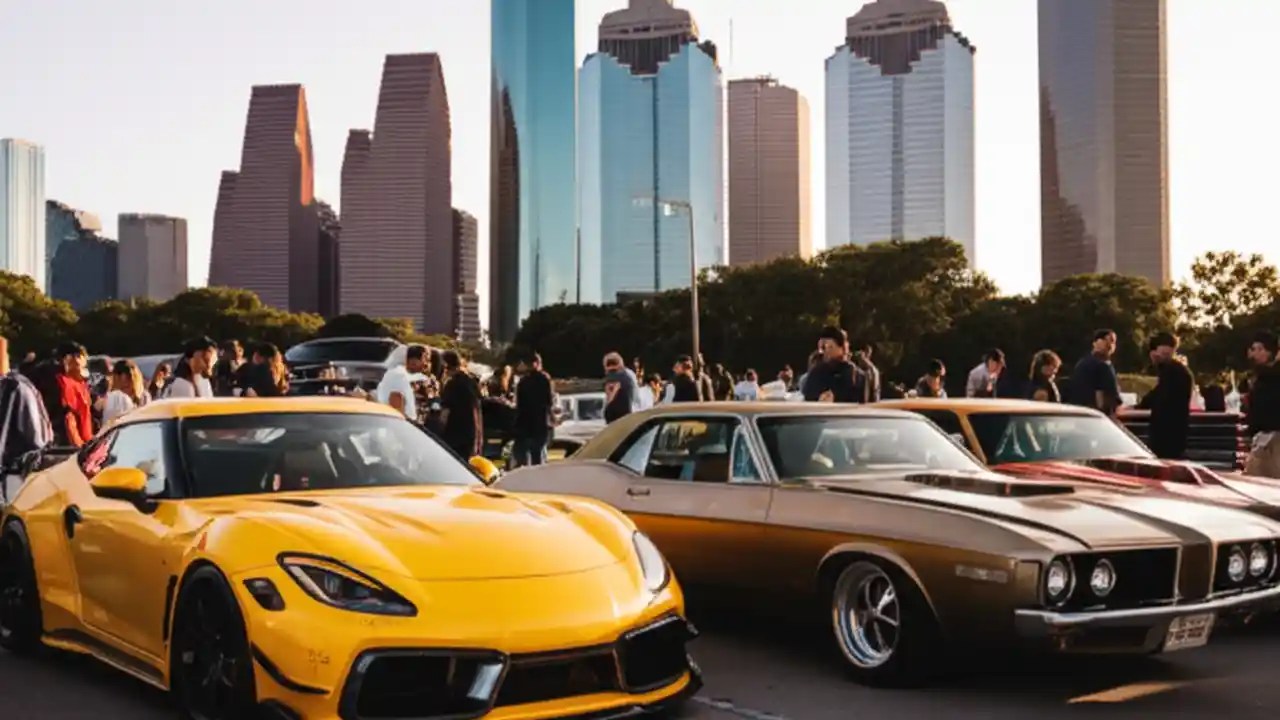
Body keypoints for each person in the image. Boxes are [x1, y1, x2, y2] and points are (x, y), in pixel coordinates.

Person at [1135, 332, 1193, 460]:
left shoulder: (1172, 371)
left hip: (1167, 433)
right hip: (1174, 432)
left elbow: (1160, 397)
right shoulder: (1174, 370)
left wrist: (1138, 406)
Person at [1245, 332, 1280, 478]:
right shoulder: (1262, 377)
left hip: (1272, 435)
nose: (1255, 354)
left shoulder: (1270, 376)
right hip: (1263, 435)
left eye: (1260, 349)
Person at [802, 326, 866, 403]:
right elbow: (809, 398)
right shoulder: (816, 373)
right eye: (822, 347)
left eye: (830, 347)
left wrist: (836, 399)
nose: (824, 352)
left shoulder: (856, 375)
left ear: (842, 348)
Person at [1068, 329, 1123, 417]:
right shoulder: (1102, 365)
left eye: (1113, 342)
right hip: (1096, 416)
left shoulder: (1081, 363)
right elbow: (1102, 394)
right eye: (1107, 340)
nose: (1110, 345)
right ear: (1095, 342)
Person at [512, 353, 554, 468]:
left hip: (524, 424)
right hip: (539, 423)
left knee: (522, 457)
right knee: (537, 455)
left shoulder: (523, 382)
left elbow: (519, 405)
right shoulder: (544, 379)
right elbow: (548, 401)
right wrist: (552, 418)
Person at [439, 350, 483, 458]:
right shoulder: (471, 382)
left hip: (453, 435)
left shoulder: (451, 384)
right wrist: (479, 437)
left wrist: (438, 430)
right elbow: (477, 409)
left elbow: (445, 412)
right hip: (469, 434)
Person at [53, 342, 93, 448]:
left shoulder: (82, 384)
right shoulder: (65, 383)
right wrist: (78, 446)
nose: (78, 360)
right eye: (74, 356)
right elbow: (68, 417)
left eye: (80, 356)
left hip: (86, 442)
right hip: (77, 446)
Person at [376, 344, 428, 420]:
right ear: (413, 361)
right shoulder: (398, 377)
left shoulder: (409, 378)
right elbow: (396, 411)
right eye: (424, 359)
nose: (425, 364)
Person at [100, 359, 149, 425]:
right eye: (119, 381)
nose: (124, 385)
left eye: (129, 379)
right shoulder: (109, 400)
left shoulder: (144, 398)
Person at [602, 352, 637, 423]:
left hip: (616, 417)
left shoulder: (612, 377)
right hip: (628, 415)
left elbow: (610, 396)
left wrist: (606, 410)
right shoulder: (629, 375)